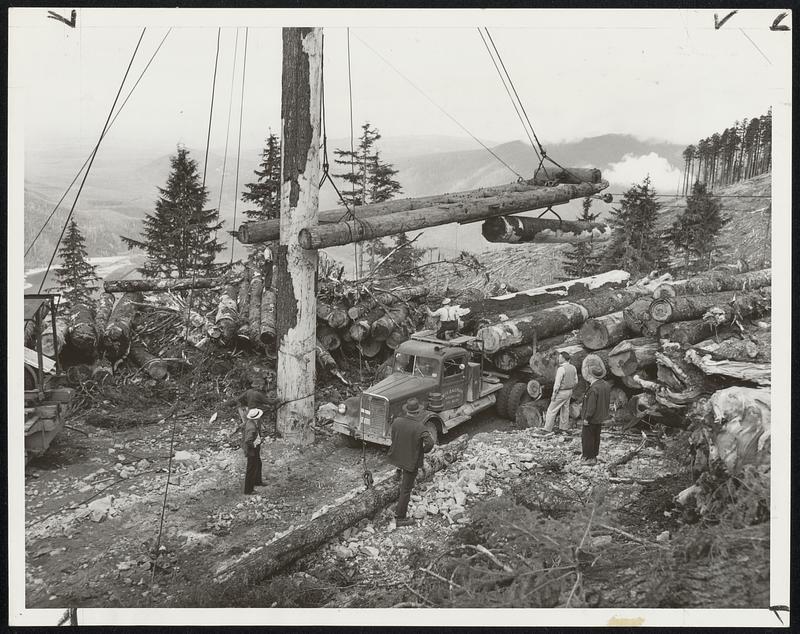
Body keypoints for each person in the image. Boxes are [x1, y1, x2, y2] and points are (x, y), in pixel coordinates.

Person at [387, 398, 435, 527]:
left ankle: (398, 473)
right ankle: (401, 517)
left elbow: (394, 436)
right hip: (410, 462)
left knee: (402, 470)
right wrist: (422, 451)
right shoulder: (420, 427)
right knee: (406, 490)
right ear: (418, 412)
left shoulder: (397, 422)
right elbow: (430, 443)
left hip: (397, 457)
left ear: (406, 410)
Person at [580, 354, 612, 465]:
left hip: (592, 418)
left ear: (591, 375)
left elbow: (591, 405)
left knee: (587, 437)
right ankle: (594, 456)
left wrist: (587, 418)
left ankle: (589, 458)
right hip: (600, 417)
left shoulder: (594, 388)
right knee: (596, 437)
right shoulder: (606, 385)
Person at [542, 350, 578, 435]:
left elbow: (557, 384)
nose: (558, 359)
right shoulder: (573, 367)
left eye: (560, 357)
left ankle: (547, 429)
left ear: (563, 358)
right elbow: (576, 381)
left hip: (561, 392)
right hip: (569, 391)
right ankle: (564, 428)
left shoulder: (561, 369)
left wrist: (554, 395)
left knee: (551, 410)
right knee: (565, 409)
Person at [242, 408, 265, 494]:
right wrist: (254, 444)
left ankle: (257, 481)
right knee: (251, 468)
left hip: (254, 448)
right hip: (252, 450)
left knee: (258, 464)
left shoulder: (251, 423)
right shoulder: (252, 427)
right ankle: (248, 490)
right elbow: (248, 441)